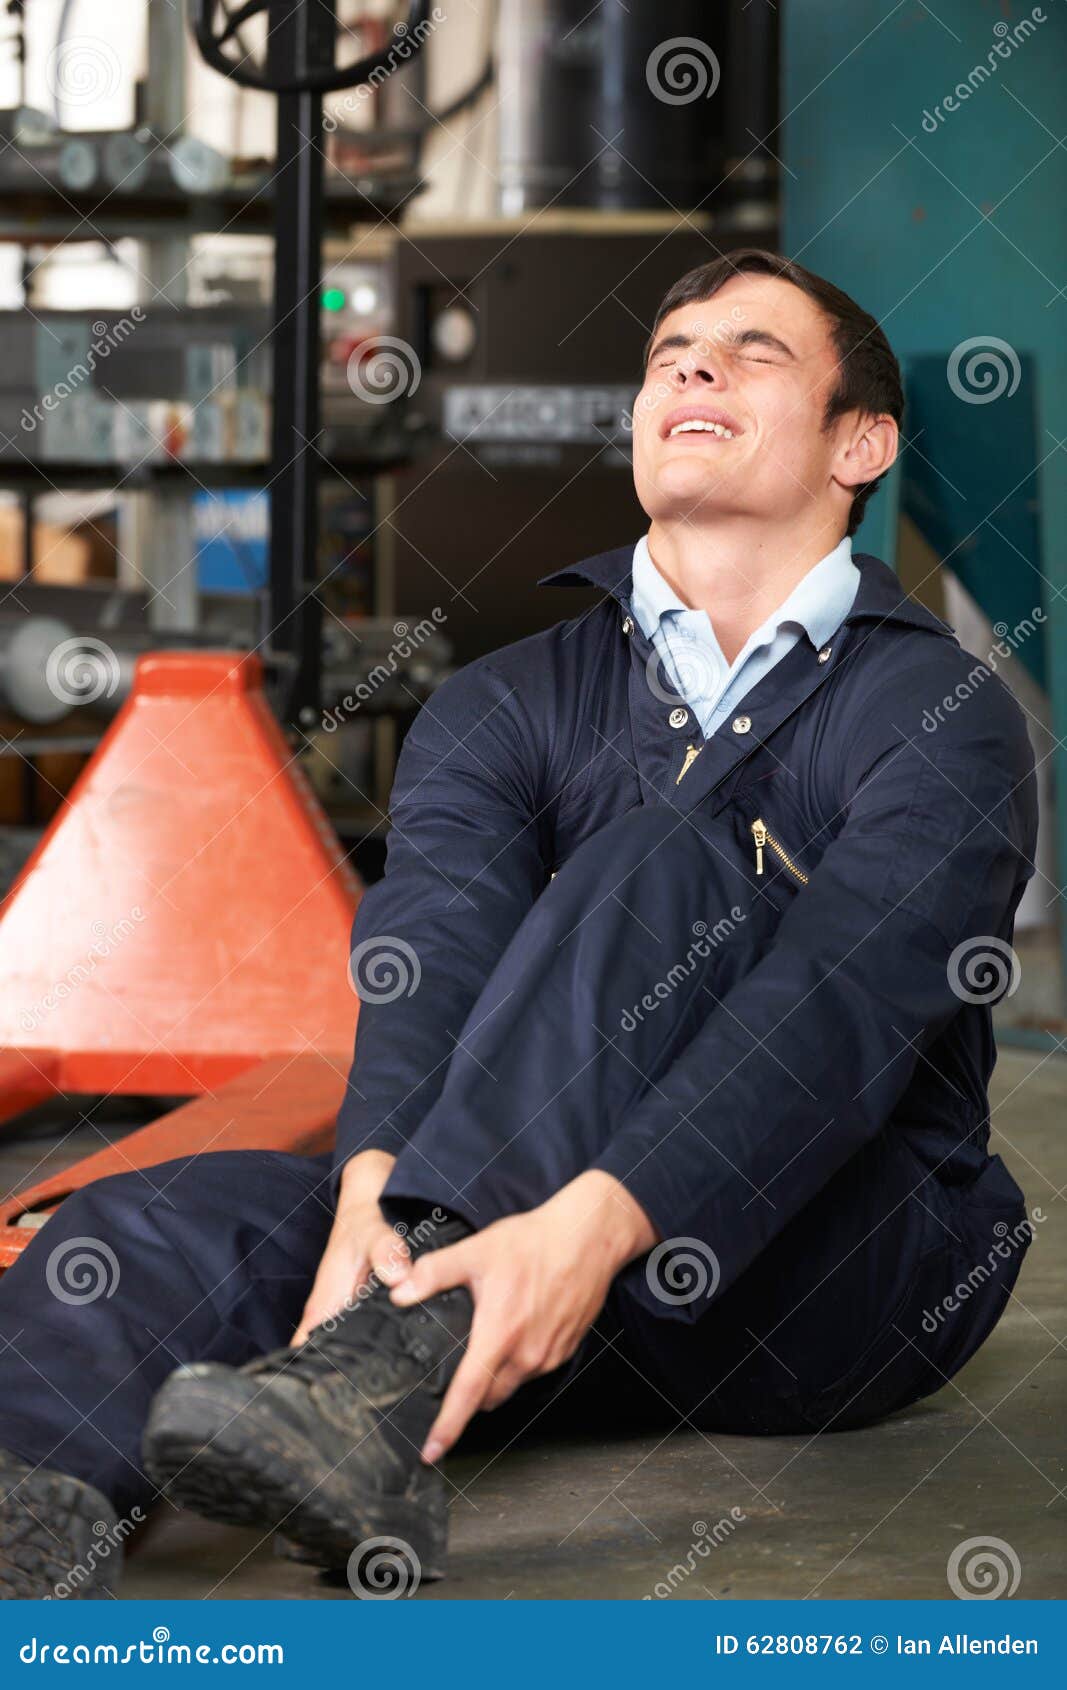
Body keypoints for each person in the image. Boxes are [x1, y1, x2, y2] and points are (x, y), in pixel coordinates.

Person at [0, 249, 1037, 1599]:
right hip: (509, 1233)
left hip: (842, 1253)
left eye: (751, 350)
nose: (690, 366)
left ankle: (384, 1361)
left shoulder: (939, 713)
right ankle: (37, 1499)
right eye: (670, 353)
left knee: (663, 857)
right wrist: (373, 1184)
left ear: (862, 441)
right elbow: (429, 957)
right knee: (150, 1224)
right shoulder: (506, 701)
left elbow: (845, 1005)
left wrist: (601, 1220)